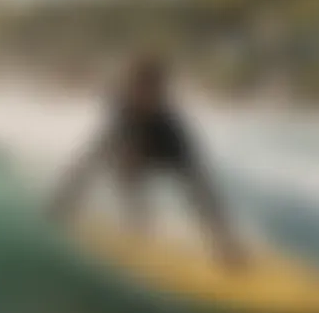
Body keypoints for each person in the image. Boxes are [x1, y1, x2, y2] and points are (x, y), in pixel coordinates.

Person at [50, 54, 246, 268]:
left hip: (162, 151)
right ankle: (132, 225)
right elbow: (96, 154)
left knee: (199, 186)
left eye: (153, 92)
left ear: (161, 93)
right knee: (109, 160)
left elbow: (199, 184)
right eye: (140, 89)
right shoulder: (122, 107)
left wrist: (224, 242)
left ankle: (226, 246)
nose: (145, 97)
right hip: (131, 151)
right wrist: (64, 200)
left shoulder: (170, 125)